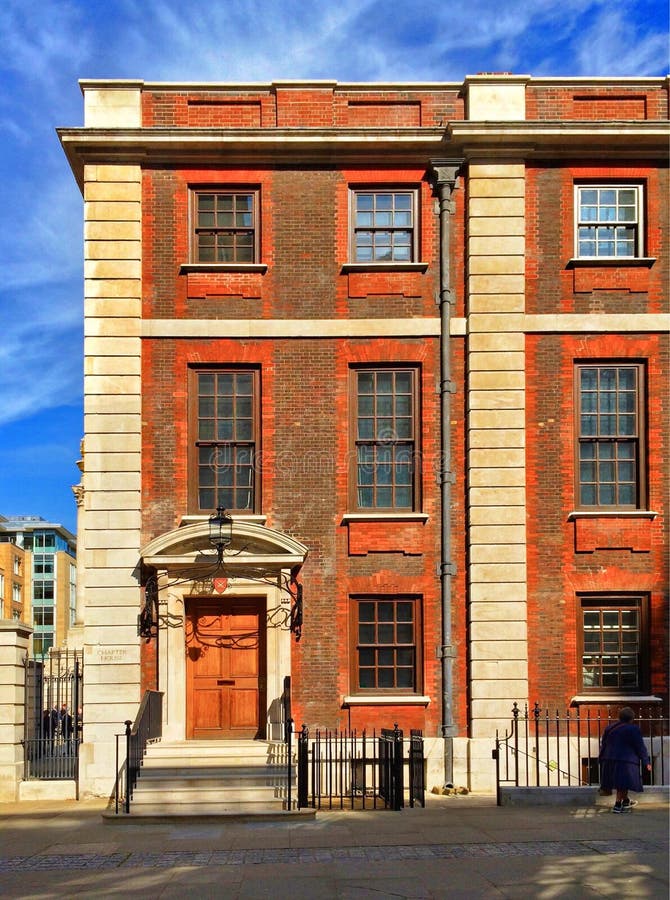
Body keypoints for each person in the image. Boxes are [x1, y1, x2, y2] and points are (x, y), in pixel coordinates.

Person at [599, 707, 651, 813]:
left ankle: (626, 801)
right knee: (622, 783)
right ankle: (618, 805)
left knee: (622, 782)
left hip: (609, 758)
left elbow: (603, 744)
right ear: (632, 718)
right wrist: (646, 761)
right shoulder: (633, 729)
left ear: (619, 717)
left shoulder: (610, 728)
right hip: (626, 759)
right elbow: (640, 746)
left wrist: (601, 758)